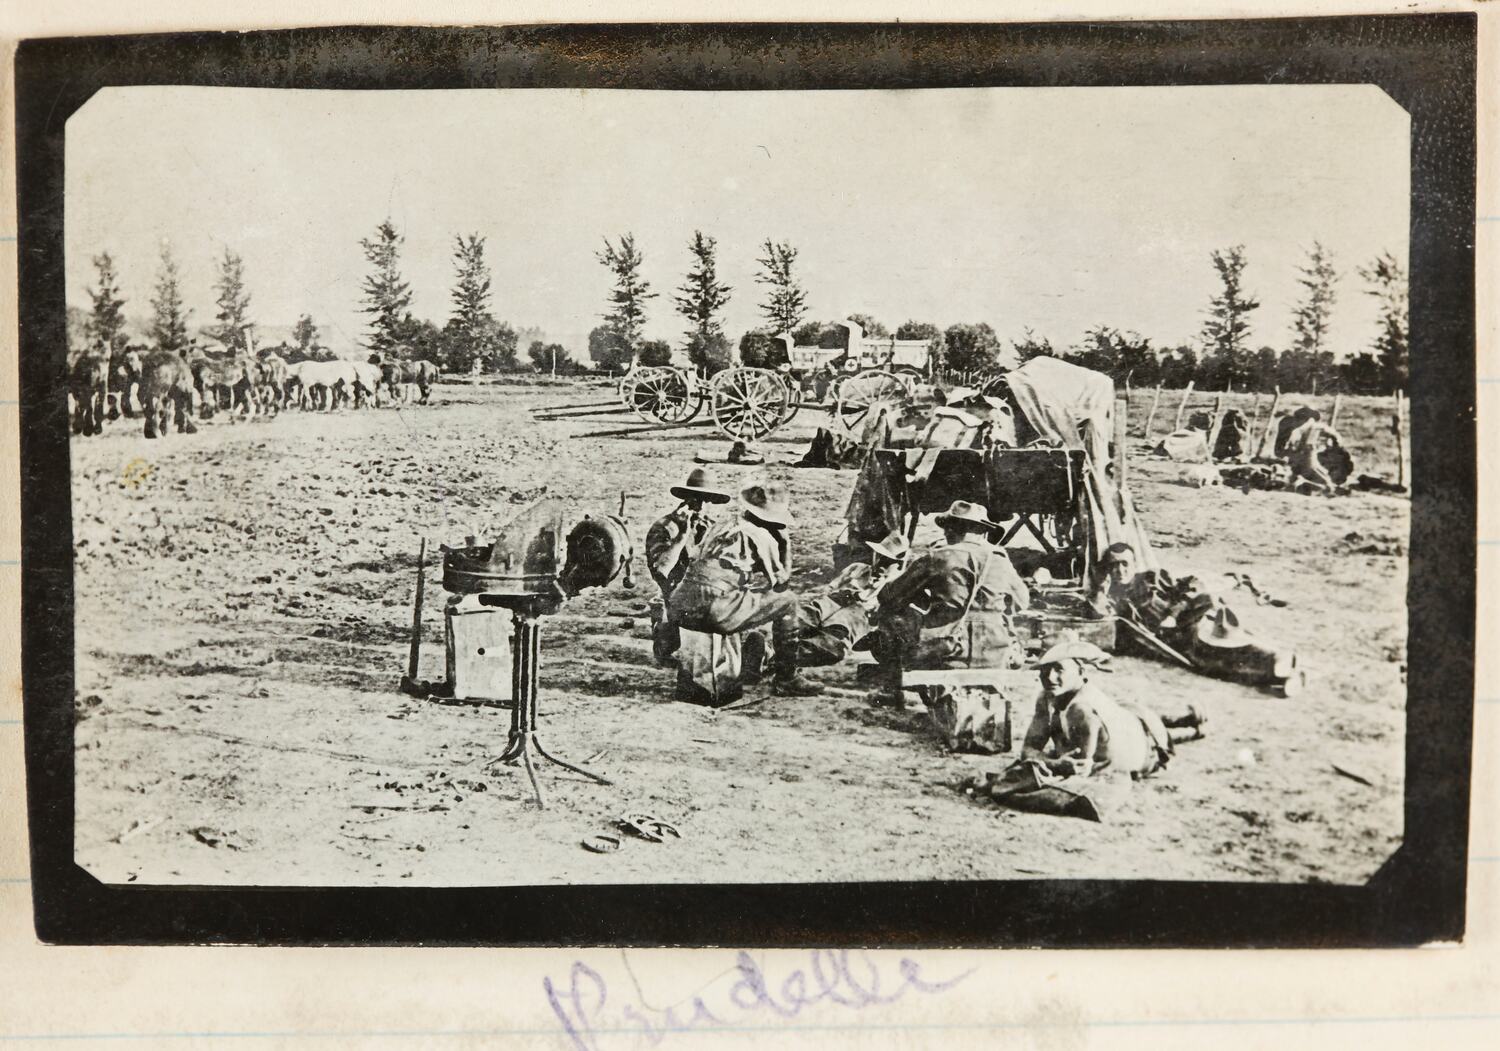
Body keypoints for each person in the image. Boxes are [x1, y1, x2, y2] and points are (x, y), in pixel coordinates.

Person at [668, 481, 824, 697]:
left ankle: (747, 660)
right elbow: (781, 583)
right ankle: (787, 678)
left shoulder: (721, 525)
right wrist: (785, 545)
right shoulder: (762, 536)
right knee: (788, 602)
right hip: (712, 609)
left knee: (744, 600)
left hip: (679, 604)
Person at [860, 500, 1030, 697]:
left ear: (952, 529)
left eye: (947, 527)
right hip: (996, 652)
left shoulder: (938, 557)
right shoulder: (999, 559)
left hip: (945, 651)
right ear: (982, 531)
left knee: (891, 615)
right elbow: (1021, 601)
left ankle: (892, 685)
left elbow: (890, 597)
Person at [1089, 542, 1300, 694]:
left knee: (1222, 638)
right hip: (1174, 638)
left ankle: (1274, 658)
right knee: (1209, 660)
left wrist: (1173, 615)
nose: (1120, 570)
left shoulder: (1151, 577)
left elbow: (1192, 584)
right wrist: (1100, 588)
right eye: (1113, 565)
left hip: (1190, 616)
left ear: (1134, 563)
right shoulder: (1113, 596)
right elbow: (1097, 616)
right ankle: (1274, 672)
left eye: (1125, 564)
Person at [1019, 640, 1173, 778]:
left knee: (1166, 733)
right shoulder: (1047, 697)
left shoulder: (1081, 709)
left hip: (1147, 750)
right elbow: (1027, 750)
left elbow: (1081, 770)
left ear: (1081, 671)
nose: (1050, 677)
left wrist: (1050, 762)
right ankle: (1190, 722)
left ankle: (1193, 725)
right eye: (1045, 670)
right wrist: (1055, 763)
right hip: (1126, 719)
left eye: (1059, 669)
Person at [644, 467, 732, 663]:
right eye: (695, 499)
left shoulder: (711, 527)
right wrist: (682, 536)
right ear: (685, 499)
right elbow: (661, 570)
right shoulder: (665, 527)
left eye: (707, 500)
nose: (701, 506)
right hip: (676, 599)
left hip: (706, 596)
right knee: (679, 653)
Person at [797, 529, 909, 667]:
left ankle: (792, 657)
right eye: (879, 556)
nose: (880, 562)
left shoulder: (898, 584)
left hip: (859, 615)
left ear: (898, 564)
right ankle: (783, 641)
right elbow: (832, 587)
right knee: (809, 614)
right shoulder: (859, 568)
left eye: (888, 560)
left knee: (834, 635)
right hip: (841, 599)